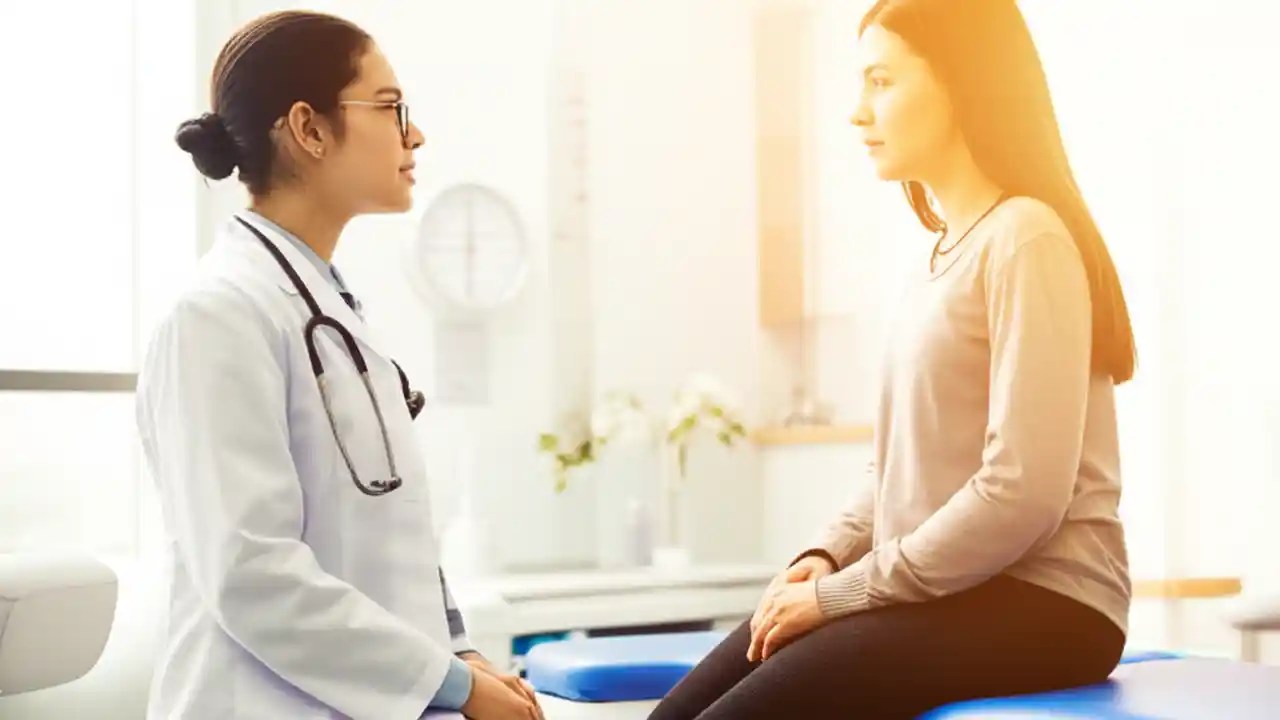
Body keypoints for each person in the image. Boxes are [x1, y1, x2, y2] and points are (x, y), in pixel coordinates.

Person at [650, 0, 1136, 717]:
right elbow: (890, 475)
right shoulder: (939, 255)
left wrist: (838, 596)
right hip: (955, 589)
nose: (858, 112)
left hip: (1050, 602)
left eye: (882, 82)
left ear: (962, 85)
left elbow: (1024, 494)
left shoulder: (1026, 239)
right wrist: (820, 560)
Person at [136, 11, 543, 720]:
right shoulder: (217, 315)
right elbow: (251, 574)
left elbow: (386, 532)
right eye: (390, 109)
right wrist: (454, 687)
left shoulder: (328, 312)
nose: (414, 134)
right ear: (310, 128)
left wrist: (459, 654)